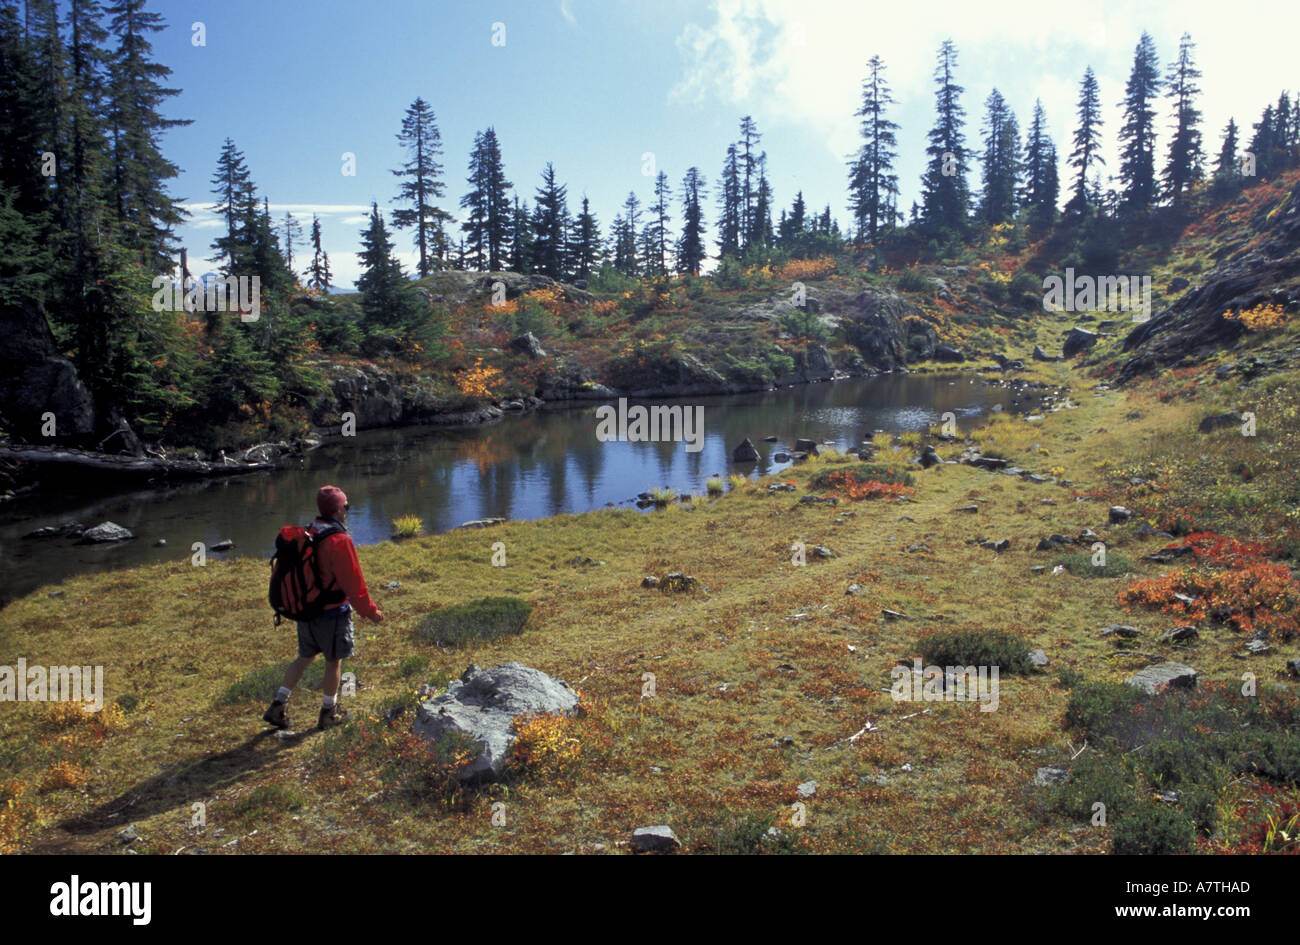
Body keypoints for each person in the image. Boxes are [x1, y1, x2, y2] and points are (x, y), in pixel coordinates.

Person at [263, 485, 383, 731]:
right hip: (331, 613)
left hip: (306, 611)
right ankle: (329, 712)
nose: (347, 511)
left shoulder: (310, 531)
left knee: (304, 657)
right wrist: (370, 611)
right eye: (346, 506)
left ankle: (278, 703)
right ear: (338, 509)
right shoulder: (339, 540)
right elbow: (354, 584)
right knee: (333, 661)